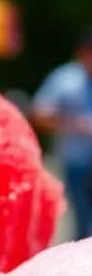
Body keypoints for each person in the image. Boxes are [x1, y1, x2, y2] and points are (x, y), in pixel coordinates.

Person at [33, 28, 92, 240]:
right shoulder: (65, 78)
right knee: (83, 220)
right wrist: (72, 125)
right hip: (75, 160)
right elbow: (40, 113)